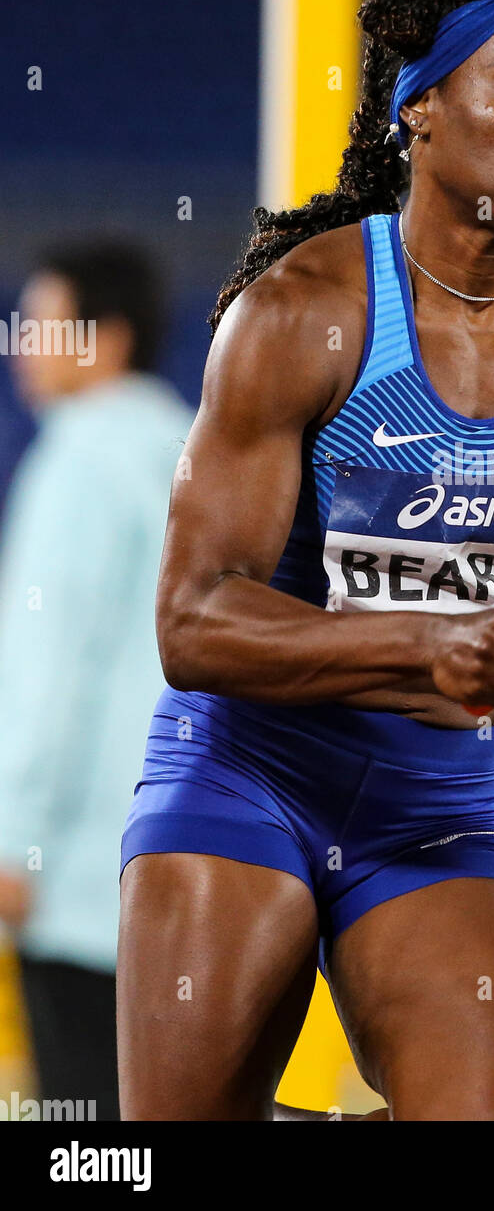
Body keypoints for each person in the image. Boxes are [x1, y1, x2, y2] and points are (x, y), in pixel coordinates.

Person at [117, 0, 494, 1121]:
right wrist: (429, 645)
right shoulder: (301, 313)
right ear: (419, 104)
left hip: (441, 813)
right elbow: (192, 624)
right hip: (246, 780)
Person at [0, 239, 194, 1120]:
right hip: (196, 864)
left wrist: (14, 837)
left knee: (82, 1135)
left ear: (105, 339)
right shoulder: (195, 451)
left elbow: (46, 667)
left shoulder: (78, 459)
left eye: (43, 324)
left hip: (81, 874)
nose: (24, 346)